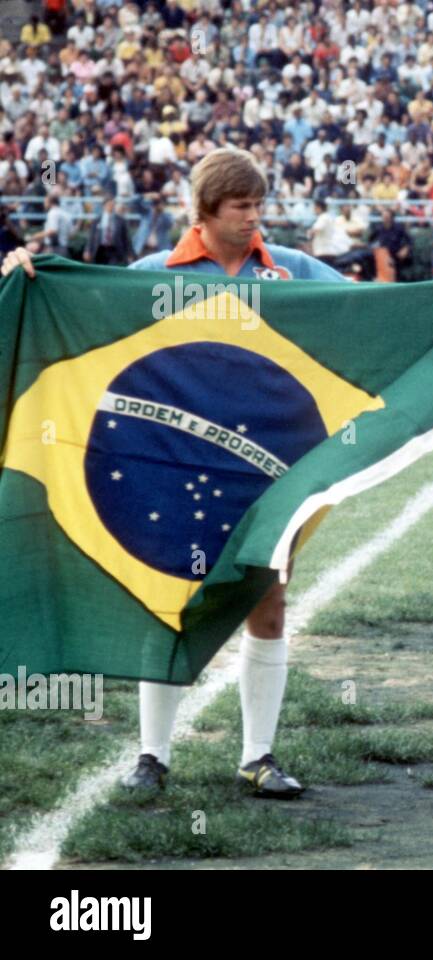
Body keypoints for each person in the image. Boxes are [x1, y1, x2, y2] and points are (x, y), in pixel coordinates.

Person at [2, 147, 353, 800]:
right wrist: (29, 274)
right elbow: (81, 299)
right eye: (241, 207)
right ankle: (151, 756)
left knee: (268, 603)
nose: (255, 218)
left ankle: (258, 756)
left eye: (259, 204)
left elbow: (376, 314)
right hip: (170, 465)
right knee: (163, 603)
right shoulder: (155, 272)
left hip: (266, 470)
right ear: (205, 210)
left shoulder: (292, 271)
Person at [84, 196, 132, 265]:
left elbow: (126, 238)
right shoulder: (97, 220)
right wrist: (87, 250)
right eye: (109, 205)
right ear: (104, 206)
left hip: (114, 250)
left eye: (112, 205)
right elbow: (91, 236)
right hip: (100, 250)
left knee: (113, 269)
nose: (111, 207)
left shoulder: (121, 221)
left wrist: (129, 253)